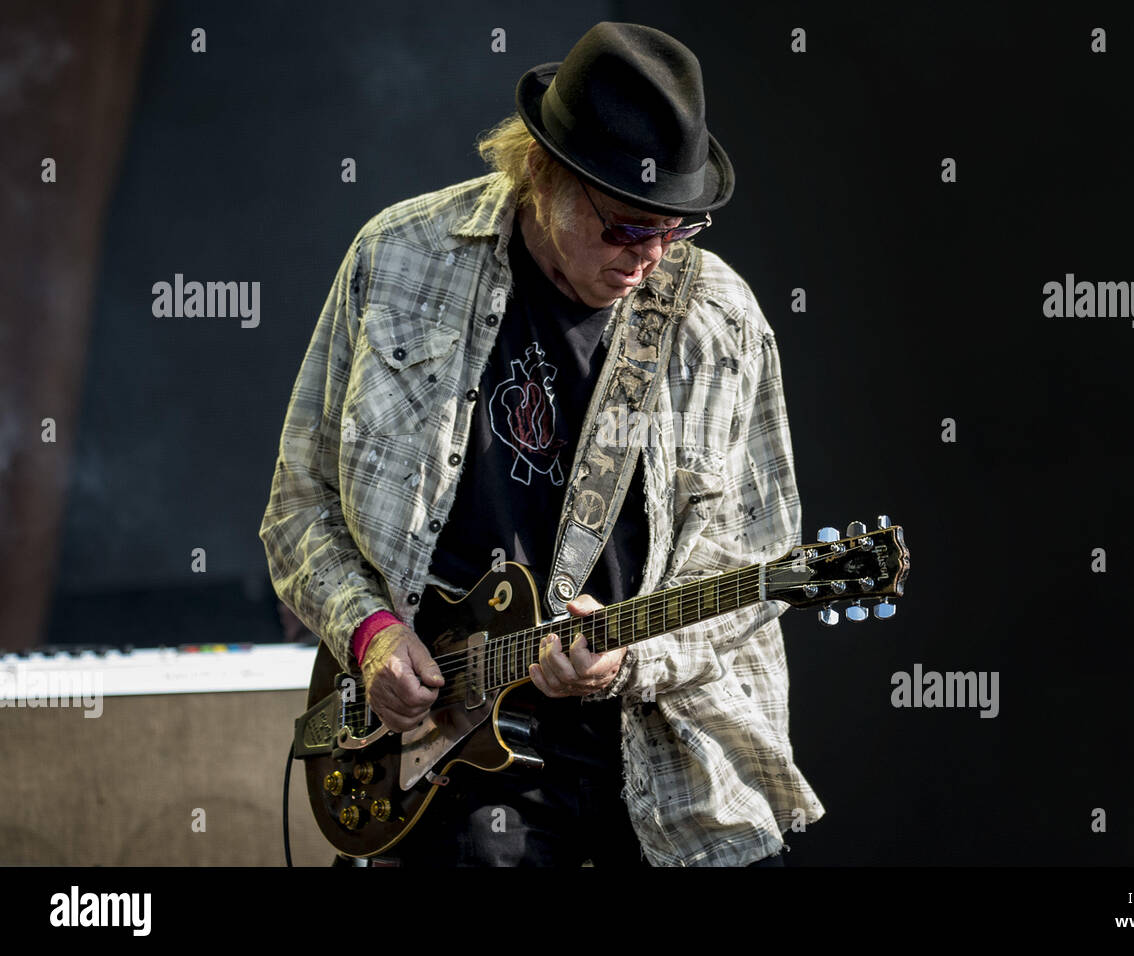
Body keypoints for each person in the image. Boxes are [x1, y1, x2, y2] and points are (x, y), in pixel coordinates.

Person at [260, 21, 824, 867]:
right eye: (625, 228)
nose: (648, 256)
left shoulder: (721, 323)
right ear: (543, 174)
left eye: (676, 229)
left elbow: (759, 576)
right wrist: (370, 632)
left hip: (671, 751)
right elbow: (299, 505)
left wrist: (633, 658)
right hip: (452, 750)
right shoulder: (397, 260)